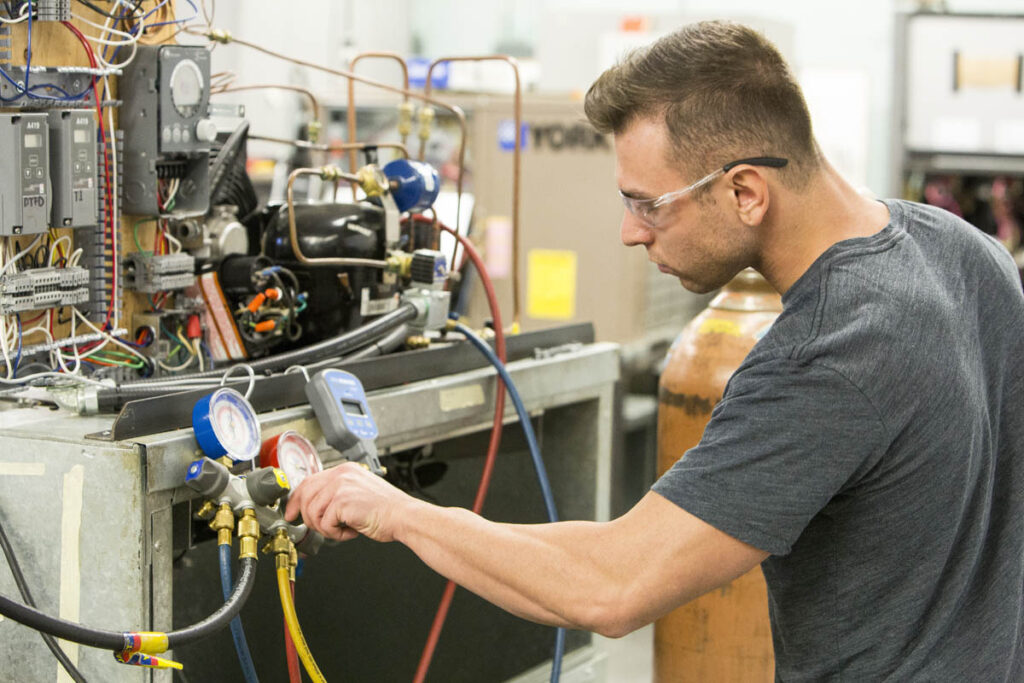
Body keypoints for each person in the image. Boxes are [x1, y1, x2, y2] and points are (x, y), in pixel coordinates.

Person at [286, 20, 1024, 680]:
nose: (630, 232)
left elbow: (611, 585)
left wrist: (399, 511)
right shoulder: (968, 252)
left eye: (648, 203)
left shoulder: (829, 354)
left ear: (745, 192)